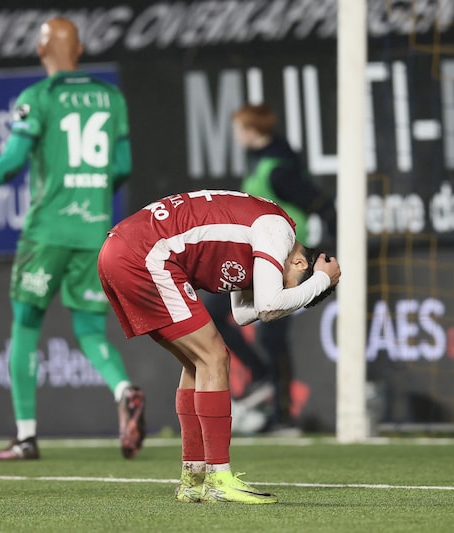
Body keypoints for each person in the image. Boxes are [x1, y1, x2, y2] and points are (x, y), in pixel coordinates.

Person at [0, 17, 145, 461]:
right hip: (94, 231)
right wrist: (92, 193)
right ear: (80, 50)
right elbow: (122, 166)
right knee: (90, 329)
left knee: (25, 326)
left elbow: (10, 163)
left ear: (41, 51)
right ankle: (123, 390)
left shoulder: (38, 98)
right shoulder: (111, 96)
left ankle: (26, 436)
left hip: (47, 233)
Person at [97, 190, 340, 504]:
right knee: (215, 357)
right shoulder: (278, 231)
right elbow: (269, 307)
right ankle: (219, 478)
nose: (280, 289)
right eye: (287, 284)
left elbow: (242, 313)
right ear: (298, 261)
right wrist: (321, 281)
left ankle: (193, 479)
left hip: (123, 250)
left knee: (197, 361)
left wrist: (305, 287)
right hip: (145, 254)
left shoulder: (267, 232)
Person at [207, 103, 338, 435]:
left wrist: (329, 252)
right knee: (215, 313)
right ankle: (261, 376)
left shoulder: (278, 171)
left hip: (285, 258)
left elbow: (321, 204)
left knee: (272, 333)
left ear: (252, 131)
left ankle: (283, 415)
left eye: (239, 129)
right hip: (257, 255)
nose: (236, 136)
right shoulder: (260, 163)